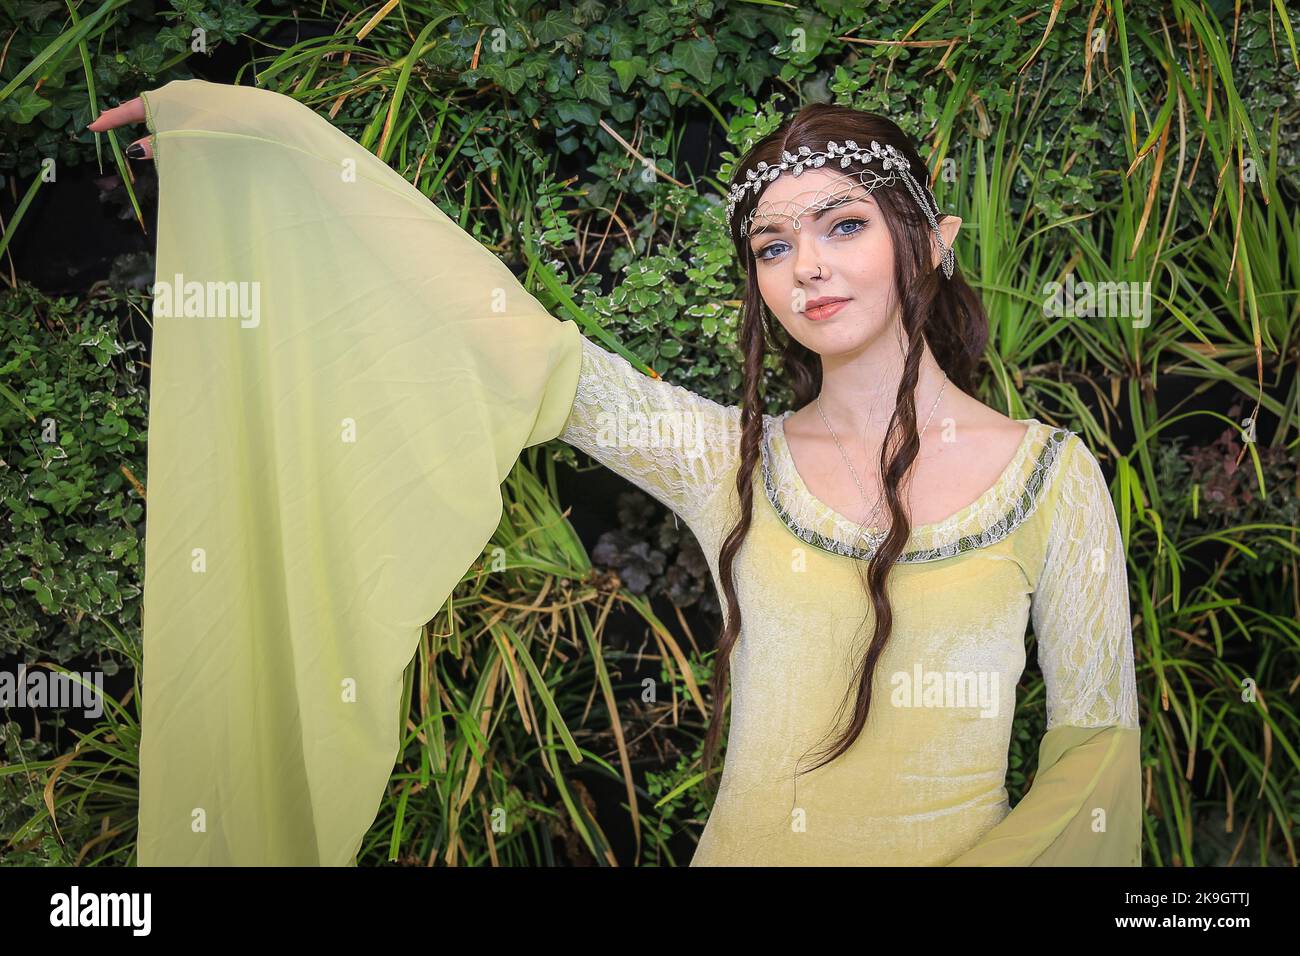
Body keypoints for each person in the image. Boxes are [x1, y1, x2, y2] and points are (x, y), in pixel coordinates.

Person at [91, 81, 1141, 866]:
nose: (807, 265)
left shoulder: (1052, 478)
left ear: (934, 241)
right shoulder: (732, 462)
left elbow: (1094, 751)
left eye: (843, 226)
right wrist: (266, 139)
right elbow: (514, 340)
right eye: (772, 247)